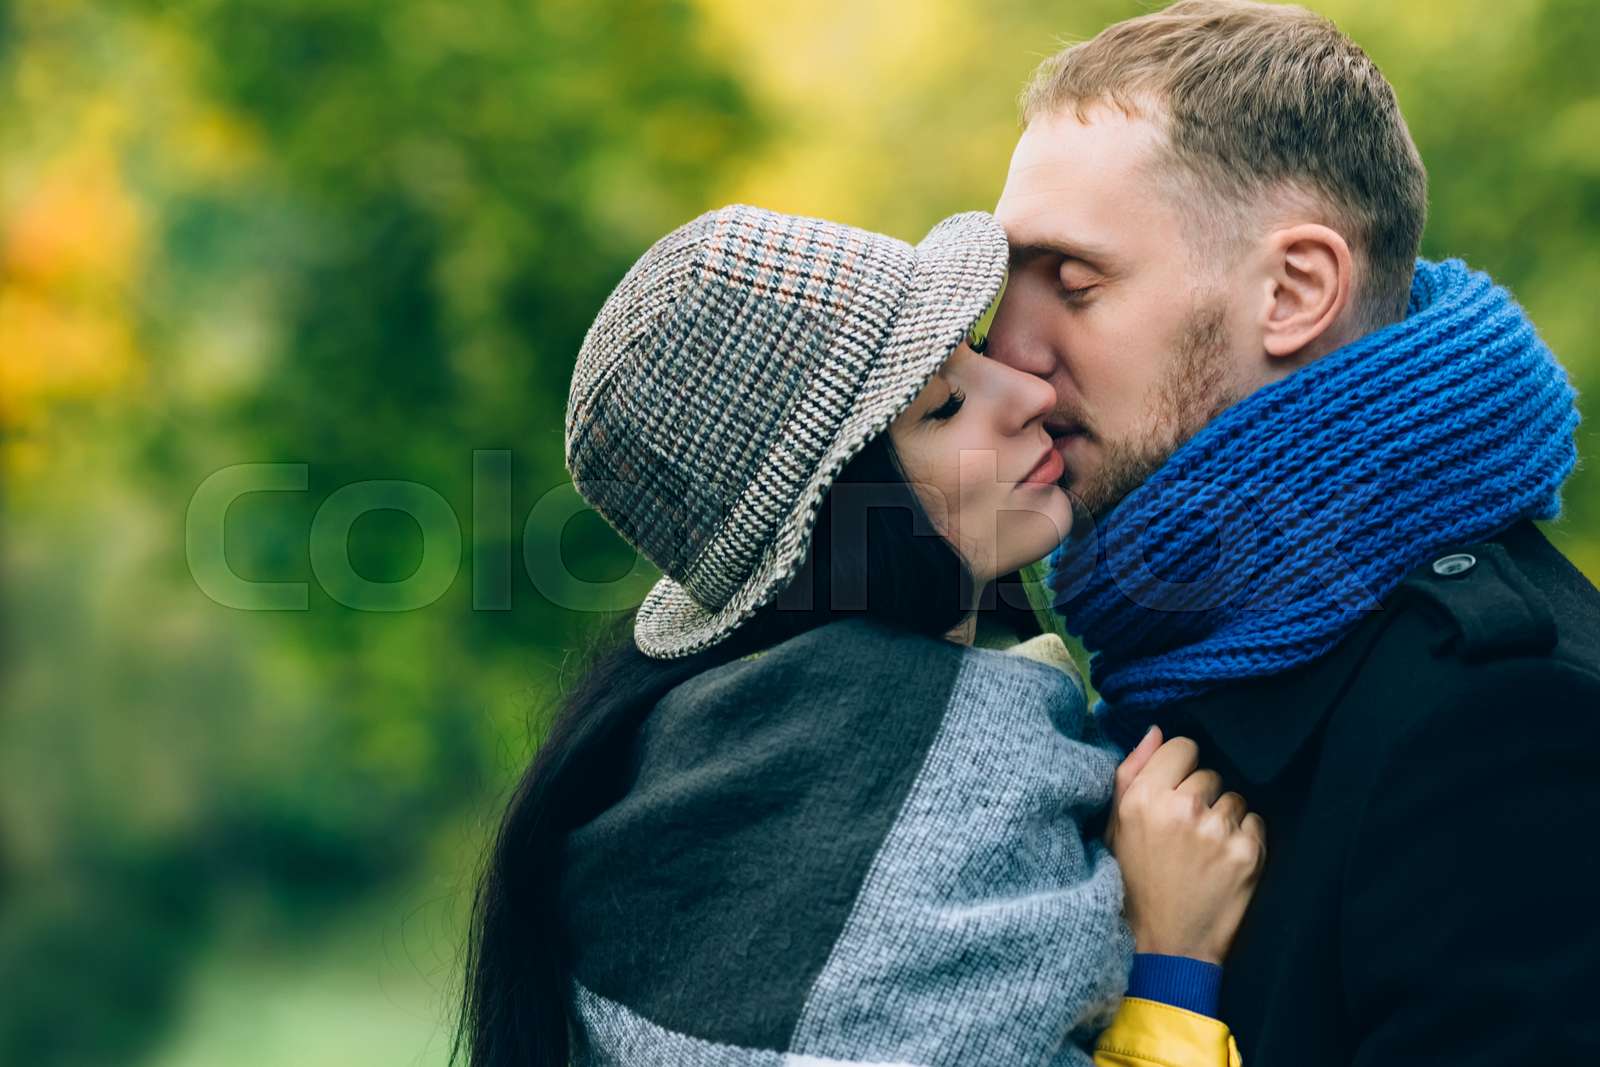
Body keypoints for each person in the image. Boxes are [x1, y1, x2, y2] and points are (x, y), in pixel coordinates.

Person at [456, 205, 1263, 1067]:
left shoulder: (704, 766)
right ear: (845, 518)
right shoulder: (891, 781)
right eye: (946, 407)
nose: (1030, 394)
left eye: (977, 354)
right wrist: (1173, 959)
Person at [984, 2, 1600, 1063]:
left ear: (1294, 289)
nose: (1010, 355)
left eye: (1073, 286)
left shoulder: (1502, 720)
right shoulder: (1169, 652)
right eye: (1003, 289)